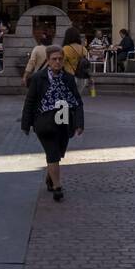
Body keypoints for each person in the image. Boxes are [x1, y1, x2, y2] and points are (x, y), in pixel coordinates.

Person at [21, 45, 84, 202]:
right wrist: (26, 124)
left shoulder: (68, 79)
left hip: (63, 120)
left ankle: (50, 178)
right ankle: (57, 187)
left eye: (60, 59)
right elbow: (30, 101)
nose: (57, 62)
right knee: (53, 152)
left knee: (58, 152)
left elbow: (77, 102)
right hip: (44, 121)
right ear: (48, 61)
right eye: (54, 59)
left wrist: (79, 123)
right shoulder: (38, 78)